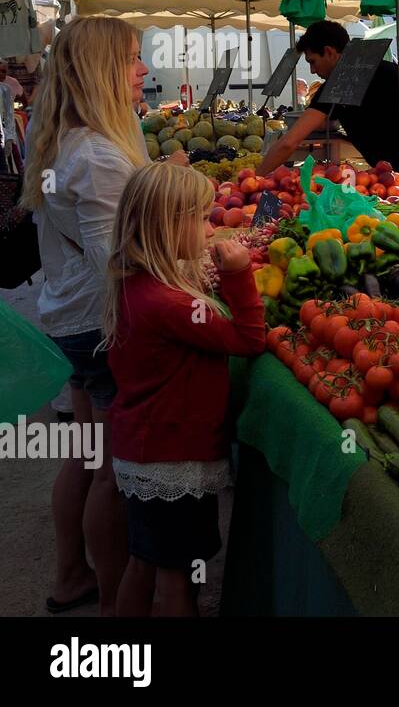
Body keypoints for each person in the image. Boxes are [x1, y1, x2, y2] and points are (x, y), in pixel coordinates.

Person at [21, 16, 151, 616]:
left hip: (67, 319)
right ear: (101, 71)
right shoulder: (99, 155)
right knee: (108, 472)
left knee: (83, 454)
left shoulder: (62, 138)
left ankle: (70, 575)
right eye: (130, 60)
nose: (143, 70)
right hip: (98, 327)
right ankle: (115, 602)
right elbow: (116, 266)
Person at [104, 164, 265, 617]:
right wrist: (239, 275)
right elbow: (249, 340)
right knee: (180, 575)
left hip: (142, 451)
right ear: (167, 227)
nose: (211, 226)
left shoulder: (136, 285)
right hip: (175, 456)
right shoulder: (173, 304)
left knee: (144, 561)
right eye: (199, 218)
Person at [255, 21, 399, 193]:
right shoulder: (394, 71)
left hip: (398, 184)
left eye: (312, 61)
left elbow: (290, 142)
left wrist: (256, 179)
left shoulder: (338, 86)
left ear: (330, 51)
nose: (313, 70)